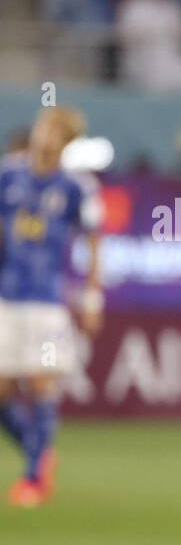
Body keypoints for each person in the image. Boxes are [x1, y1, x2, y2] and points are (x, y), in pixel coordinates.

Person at [0, 106, 103, 507]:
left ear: (67, 142)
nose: (47, 137)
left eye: (57, 133)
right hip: (6, 295)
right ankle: (38, 450)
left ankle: (33, 479)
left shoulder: (79, 187)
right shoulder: (8, 173)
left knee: (42, 382)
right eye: (45, 128)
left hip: (46, 300)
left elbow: (94, 242)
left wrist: (93, 297)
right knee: (2, 390)